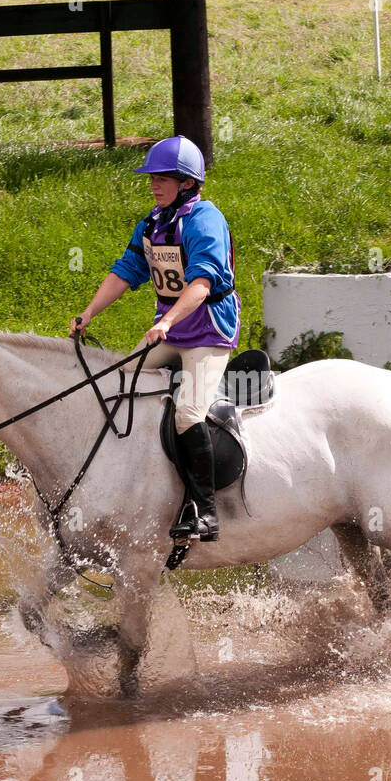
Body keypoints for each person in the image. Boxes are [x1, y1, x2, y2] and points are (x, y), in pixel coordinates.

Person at [71, 135, 239, 542]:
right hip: (172, 329)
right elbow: (127, 270)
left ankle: (205, 514)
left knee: (188, 413)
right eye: (151, 178)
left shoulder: (205, 220)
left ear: (186, 183)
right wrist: (89, 312)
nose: (153, 184)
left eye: (162, 178)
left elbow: (201, 284)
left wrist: (167, 322)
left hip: (207, 333)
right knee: (116, 385)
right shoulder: (152, 223)